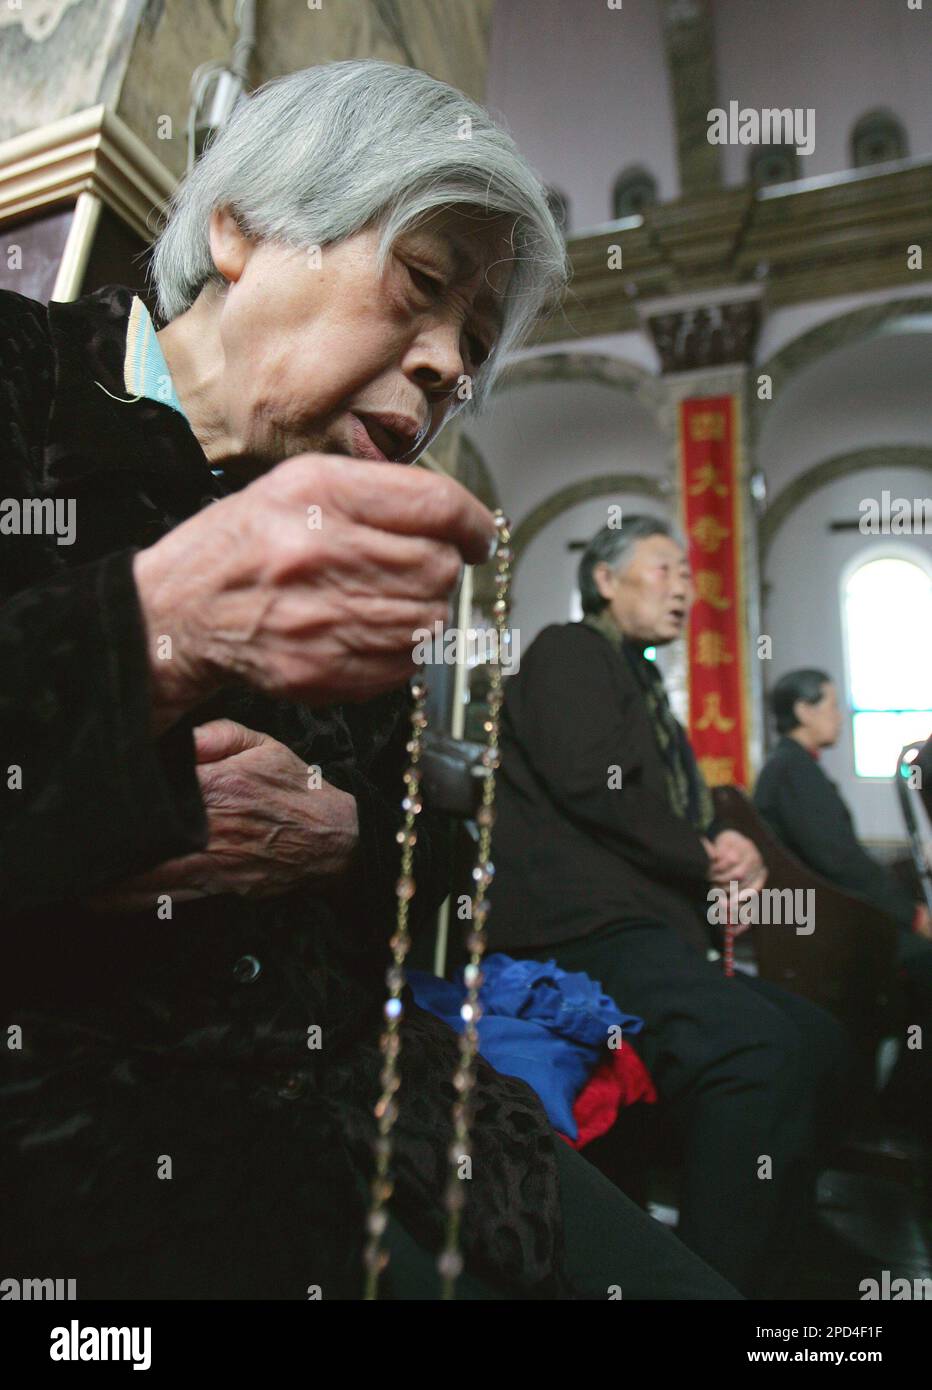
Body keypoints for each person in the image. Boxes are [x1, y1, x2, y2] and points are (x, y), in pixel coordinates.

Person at [0, 61, 738, 1301]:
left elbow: (427, 856)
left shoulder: (358, 534)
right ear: (238, 227)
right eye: (424, 284)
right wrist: (157, 632)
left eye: (477, 343)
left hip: (365, 1086)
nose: (451, 364)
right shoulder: (27, 380)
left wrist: (342, 836)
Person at [485, 516, 853, 1297]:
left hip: (650, 929)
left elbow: (678, 811)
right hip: (579, 932)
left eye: (689, 574)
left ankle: (791, 1255)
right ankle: (710, 1280)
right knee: (754, 1051)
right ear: (605, 580)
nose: (684, 585)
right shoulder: (568, 651)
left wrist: (725, 840)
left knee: (820, 1039)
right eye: (663, 568)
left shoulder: (645, 684)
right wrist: (703, 853)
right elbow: (592, 781)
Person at [754, 669, 932, 1136]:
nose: (839, 716)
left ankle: (890, 1108)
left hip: (831, 922)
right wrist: (912, 914)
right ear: (803, 710)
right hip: (820, 934)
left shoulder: (797, 768)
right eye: (831, 705)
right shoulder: (791, 772)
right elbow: (842, 863)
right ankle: (896, 1114)